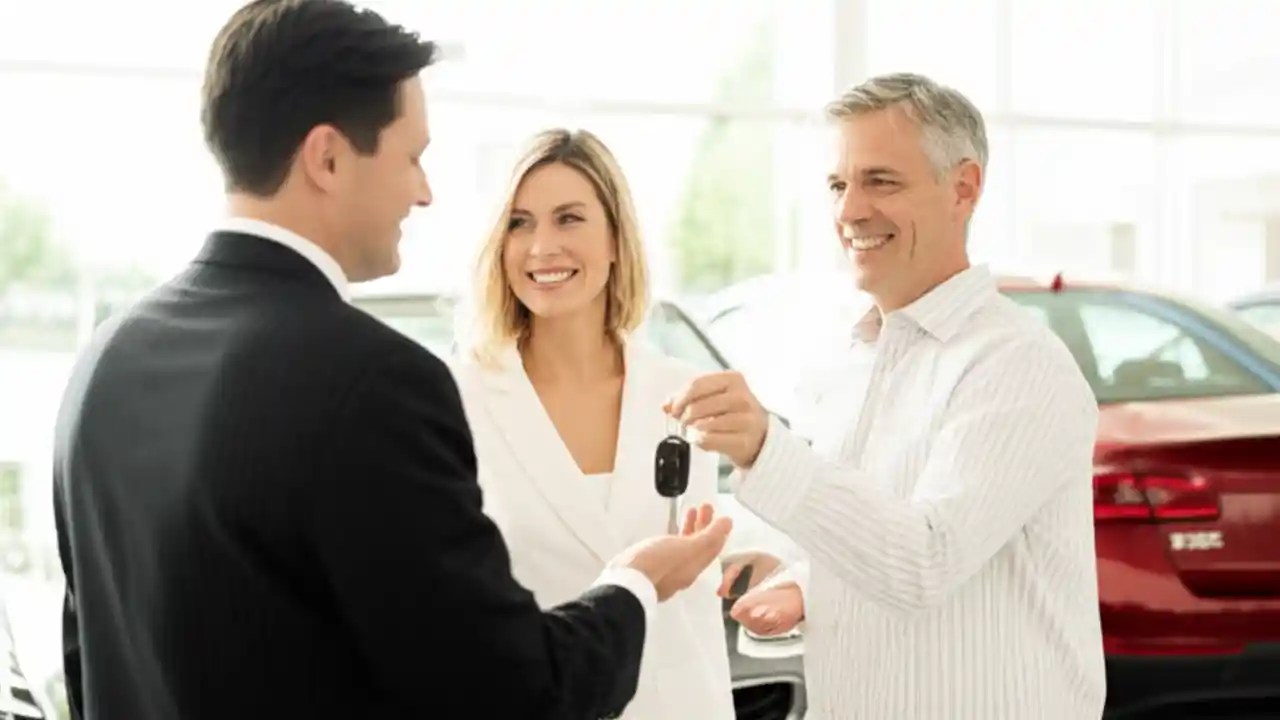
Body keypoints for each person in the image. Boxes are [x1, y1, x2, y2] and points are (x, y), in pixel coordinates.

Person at [51, 3, 730, 719]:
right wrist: (632, 584)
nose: (424, 190)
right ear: (329, 158)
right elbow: (511, 696)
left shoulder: (106, 361)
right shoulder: (373, 382)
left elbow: (88, 662)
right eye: (412, 156)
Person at [665, 72, 1106, 719]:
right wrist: (800, 576)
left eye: (881, 181)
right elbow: (880, 532)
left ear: (963, 188)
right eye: (839, 185)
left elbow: (925, 559)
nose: (849, 211)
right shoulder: (852, 362)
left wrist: (766, 449)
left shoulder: (1016, 364)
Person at [450, 127, 736, 719]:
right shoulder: (458, 398)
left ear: (614, 240)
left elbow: (701, 582)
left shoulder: (681, 394)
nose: (541, 247)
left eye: (569, 218)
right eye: (520, 223)